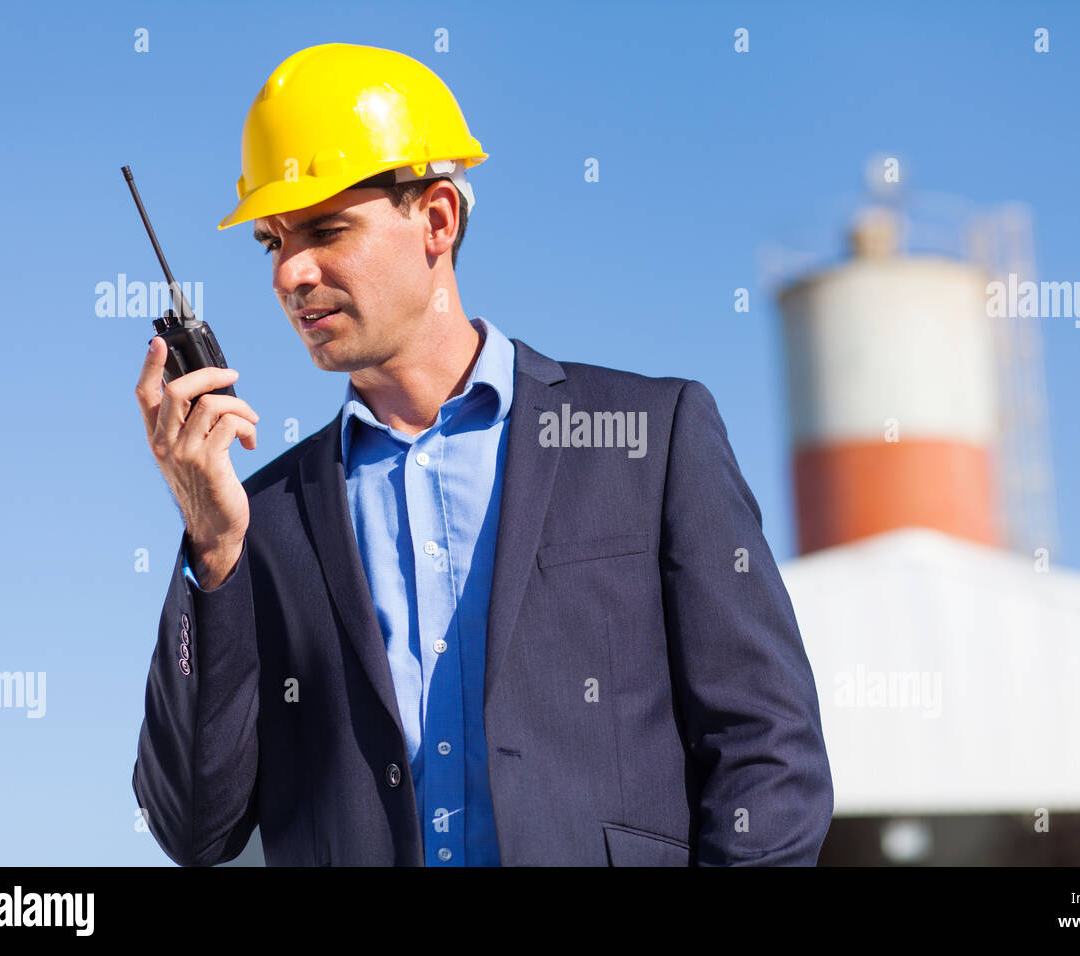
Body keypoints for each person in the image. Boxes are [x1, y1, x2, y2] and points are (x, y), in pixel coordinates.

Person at [131, 42, 832, 867]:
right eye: (272, 243)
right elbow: (193, 830)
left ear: (437, 219)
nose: (292, 271)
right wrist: (212, 546)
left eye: (326, 229)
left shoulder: (651, 437)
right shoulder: (261, 521)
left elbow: (769, 752)